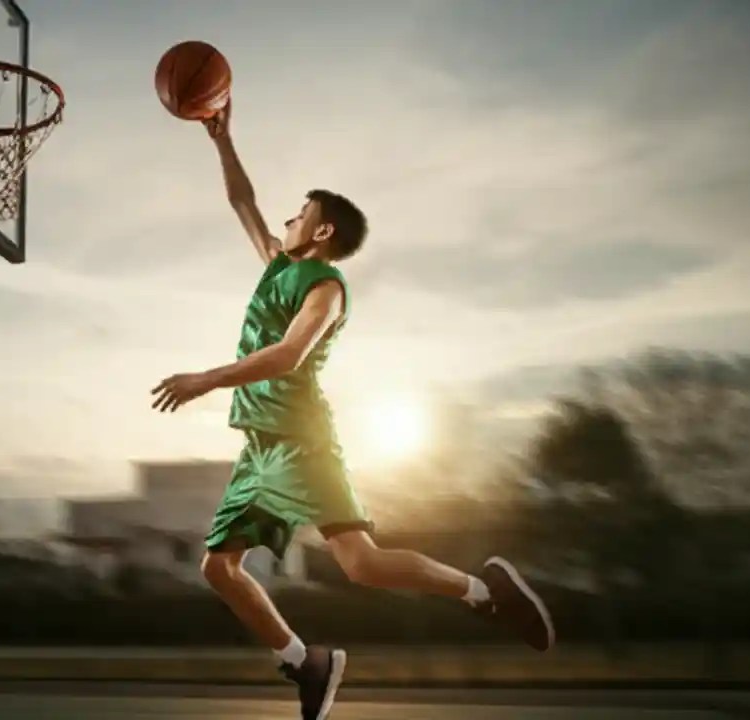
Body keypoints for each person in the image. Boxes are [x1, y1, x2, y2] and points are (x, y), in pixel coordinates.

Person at [149, 100, 555, 720]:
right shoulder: (279, 267)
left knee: (362, 565)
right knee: (219, 568)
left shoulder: (325, 290)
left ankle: (483, 592)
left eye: (299, 215)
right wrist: (222, 140)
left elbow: (288, 356)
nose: (285, 220)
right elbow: (242, 203)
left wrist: (207, 378)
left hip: (300, 439)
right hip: (261, 447)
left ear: (322, 233)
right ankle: (304, 661)